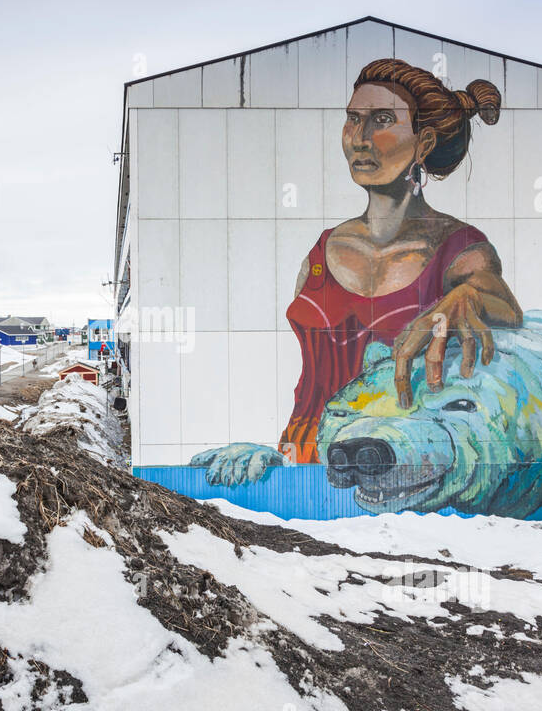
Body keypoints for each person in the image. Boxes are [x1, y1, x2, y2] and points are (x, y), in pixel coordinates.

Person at [194, 58, 522, 483]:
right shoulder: (322, 251)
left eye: (382, 120)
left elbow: (503, 304)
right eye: (353, 120)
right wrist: (275, 463)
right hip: (307, 467)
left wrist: (466, 296)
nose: (361, 139)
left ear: (423, 143)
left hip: (395, 472)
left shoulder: (457, 247)